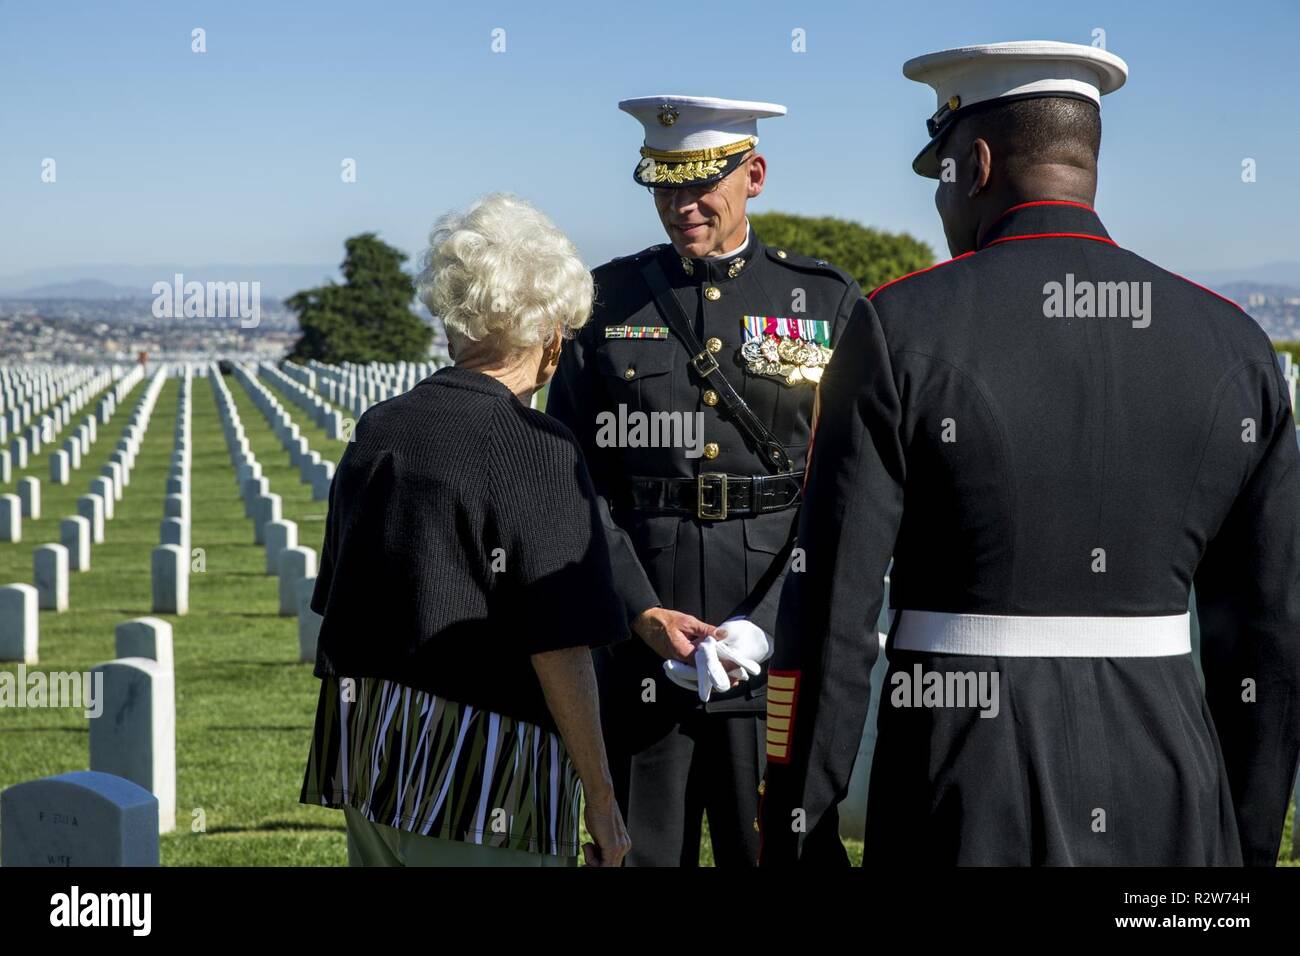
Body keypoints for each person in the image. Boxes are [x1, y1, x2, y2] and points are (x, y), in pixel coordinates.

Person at [760, 40, 1300, 866]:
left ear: (973, 165)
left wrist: (801, 820)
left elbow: (830, 611)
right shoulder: (1233, 342)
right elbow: (1269, 634)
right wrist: (1247, 839)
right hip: (1172, 797)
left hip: (965, 785)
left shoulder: (900, 326)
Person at [547, 95, 862, 865]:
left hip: (771, 623)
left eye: (700, 186)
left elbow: (852, 480)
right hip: (644, 630)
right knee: (643, 851)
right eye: (663, 186)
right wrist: (641, 612)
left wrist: (773, 618)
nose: (680, 205)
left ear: (753, 175)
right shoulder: (606, 300)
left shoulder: (820, 301)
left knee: (774, 849)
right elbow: (574, 478)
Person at [300, 192, 632, 868]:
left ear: (453, 323)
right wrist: (601, 797)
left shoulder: (381, 428)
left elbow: (335, 594)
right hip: (482, 784)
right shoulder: (536, 447)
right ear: (550, 337)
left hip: (372, 757)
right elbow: (561, 648)